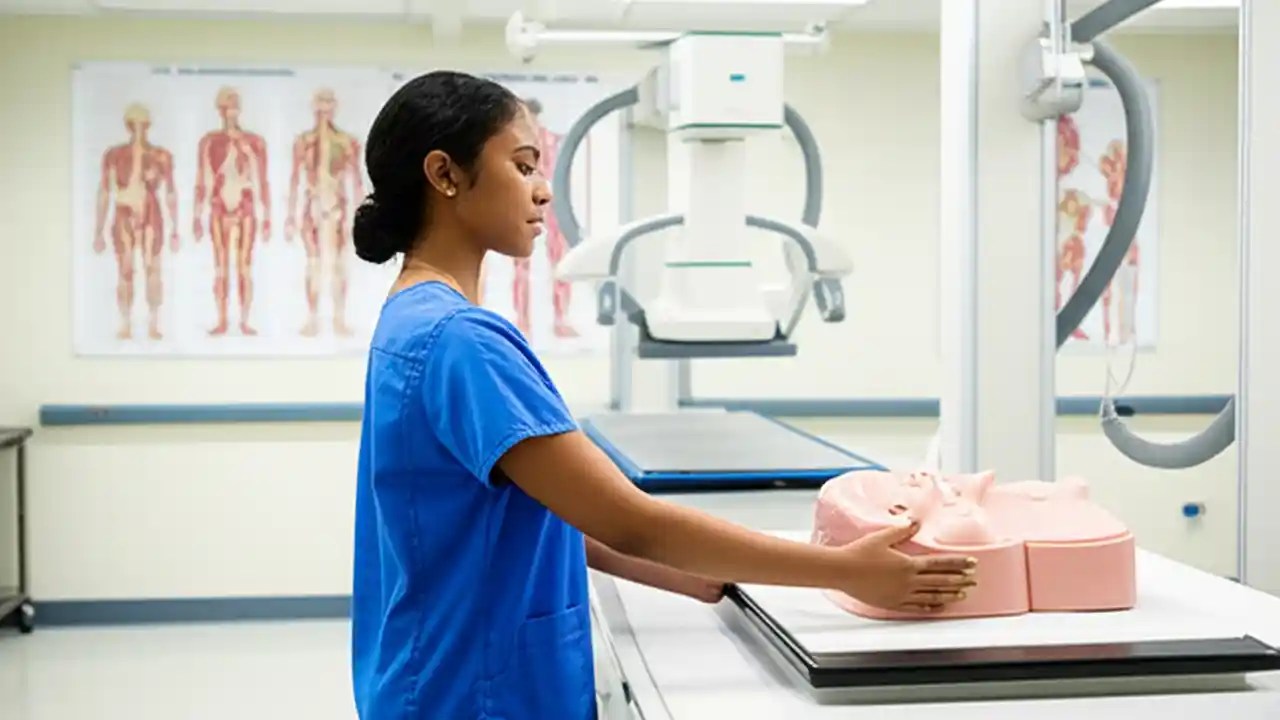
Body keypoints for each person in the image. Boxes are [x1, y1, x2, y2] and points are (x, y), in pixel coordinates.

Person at [349, 70, 978, 720]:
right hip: (475, 695)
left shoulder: (410, 320)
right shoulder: (462, 341)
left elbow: (536, 514)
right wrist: (846, 570)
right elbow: (629, 520)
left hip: (433, 680)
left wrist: (687, 573)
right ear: (445, 174)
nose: (542, 191)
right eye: (523, 165)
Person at [94, 103, 179, 341]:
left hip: (151, 212)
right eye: (134, 125)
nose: (139, 130)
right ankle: (125, 323)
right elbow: (104, 192)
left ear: (148, 126)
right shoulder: (114, 155)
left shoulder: (161, 156)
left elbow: (171, 192)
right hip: (124, 212)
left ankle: (153, 322)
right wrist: (98, 231)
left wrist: (175, 228)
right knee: (125, 270)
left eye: (143, 125)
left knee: (153, 268)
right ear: (128, 126)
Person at [285, 87, 364, 338]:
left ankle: (339, 318)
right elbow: (295, 179)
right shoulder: (304, 142)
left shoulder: (347, 142)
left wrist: (362, 213)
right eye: (320, 102)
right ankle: (312, 318)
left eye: (328, 103)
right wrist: (290, 215)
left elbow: (356, 180)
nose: (324, 108)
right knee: (313, 264)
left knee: (340, 264)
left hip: (338, 206)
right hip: (312, 205)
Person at [193, 86, 271, 337]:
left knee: (244, 267)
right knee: (221, 266)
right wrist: (196, 214)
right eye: (226, 107)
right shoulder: (210, 142)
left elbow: (261, 179)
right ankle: (223, 320)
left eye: (234, 106)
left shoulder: (253, 142)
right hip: (218, 205)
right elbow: (203, 178)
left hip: (245, 206)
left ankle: (244, 321)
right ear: (220, 110)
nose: (230, 112)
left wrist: (267, 213)